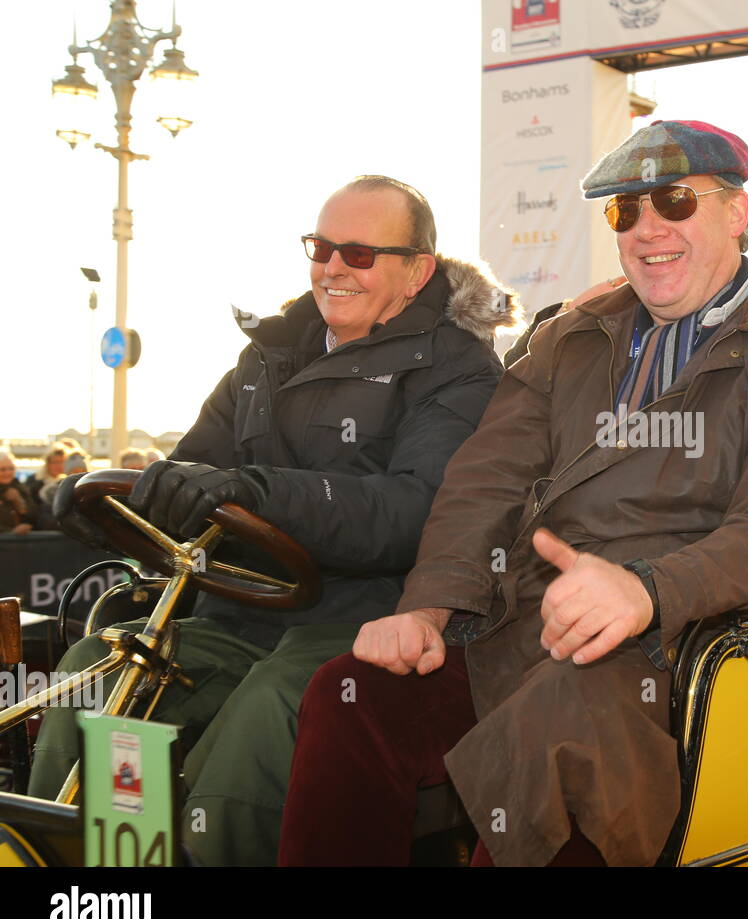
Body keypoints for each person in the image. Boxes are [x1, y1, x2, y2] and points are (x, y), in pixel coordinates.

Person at [279, 120, 748, 866]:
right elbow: (484, 482)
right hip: (520, 625)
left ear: (734, 213)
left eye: (673, 202)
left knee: (563, 726)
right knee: (354, 693)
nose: (647, 229)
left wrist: (644, 590)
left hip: (678, 650)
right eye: (626, 212)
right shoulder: (572, 337)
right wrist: (426, 608)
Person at [31, 174, 522, 865]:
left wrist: (257, 491)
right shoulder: (265, 356)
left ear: (417, 272)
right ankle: (110, 867)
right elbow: (190, 474)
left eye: (358, 253)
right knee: (104, 668)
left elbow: (412, 511)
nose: (332, 268)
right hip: (235, 615)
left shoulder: (460, 371)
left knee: (268, 706)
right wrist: (112, 505)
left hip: (365, 620)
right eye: (321, 248)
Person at [0, 448, 36, 535]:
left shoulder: (21, 488)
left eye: (11, 468)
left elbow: (34, 516)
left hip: (21, 544)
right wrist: (10, 532)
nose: (8, 472)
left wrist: (19, 501)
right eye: (2, 469)